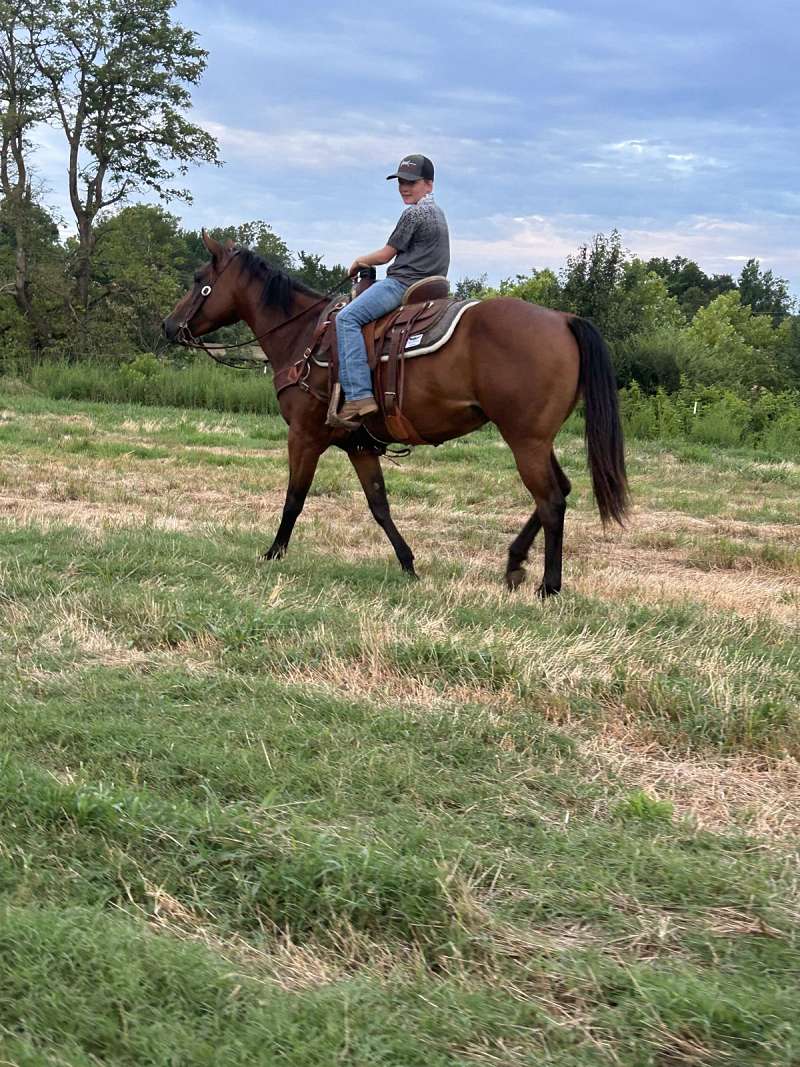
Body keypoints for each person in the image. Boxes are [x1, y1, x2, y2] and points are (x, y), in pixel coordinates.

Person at [327, 154, 450, 430]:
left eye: (411, 182)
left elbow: (385, 256)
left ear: (429, 184)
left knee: (346, 318)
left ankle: (359, 396)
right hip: (431, 285)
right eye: (401, 182)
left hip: (403, 284)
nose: (404, 188)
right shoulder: (438, 213)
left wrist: (360, 260)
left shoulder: (414, 213)